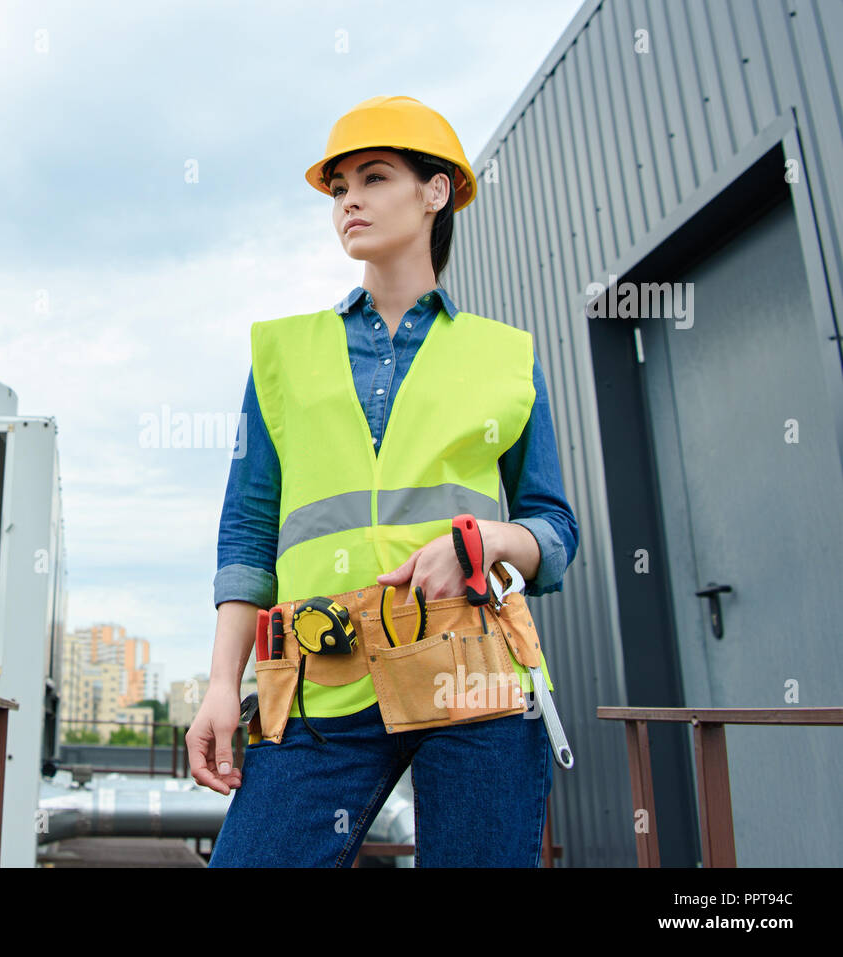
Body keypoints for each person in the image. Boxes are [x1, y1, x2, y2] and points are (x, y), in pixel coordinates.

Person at [187, 96, 579, 867]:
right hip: (319, 682)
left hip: (474, 675)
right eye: (338, 189)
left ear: (436, 192)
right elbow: (248, 532)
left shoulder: (505, 357)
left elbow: (554, 530)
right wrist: (218, 684)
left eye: (373, 177)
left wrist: (487, 540)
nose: (349, 202)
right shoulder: (283, 356)